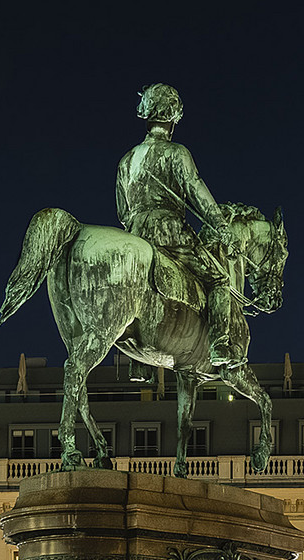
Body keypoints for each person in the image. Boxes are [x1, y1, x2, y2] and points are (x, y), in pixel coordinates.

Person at [116, 84, 247, 374]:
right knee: (220, 281)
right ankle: (220, 345)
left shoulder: (127, 160)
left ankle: (139, 364)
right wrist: (222, 229)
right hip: (171, 234)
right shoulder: (177, 152)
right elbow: (197, 191)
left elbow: (123, 211)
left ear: (147, 115)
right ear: (172, 116)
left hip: (136, 236)